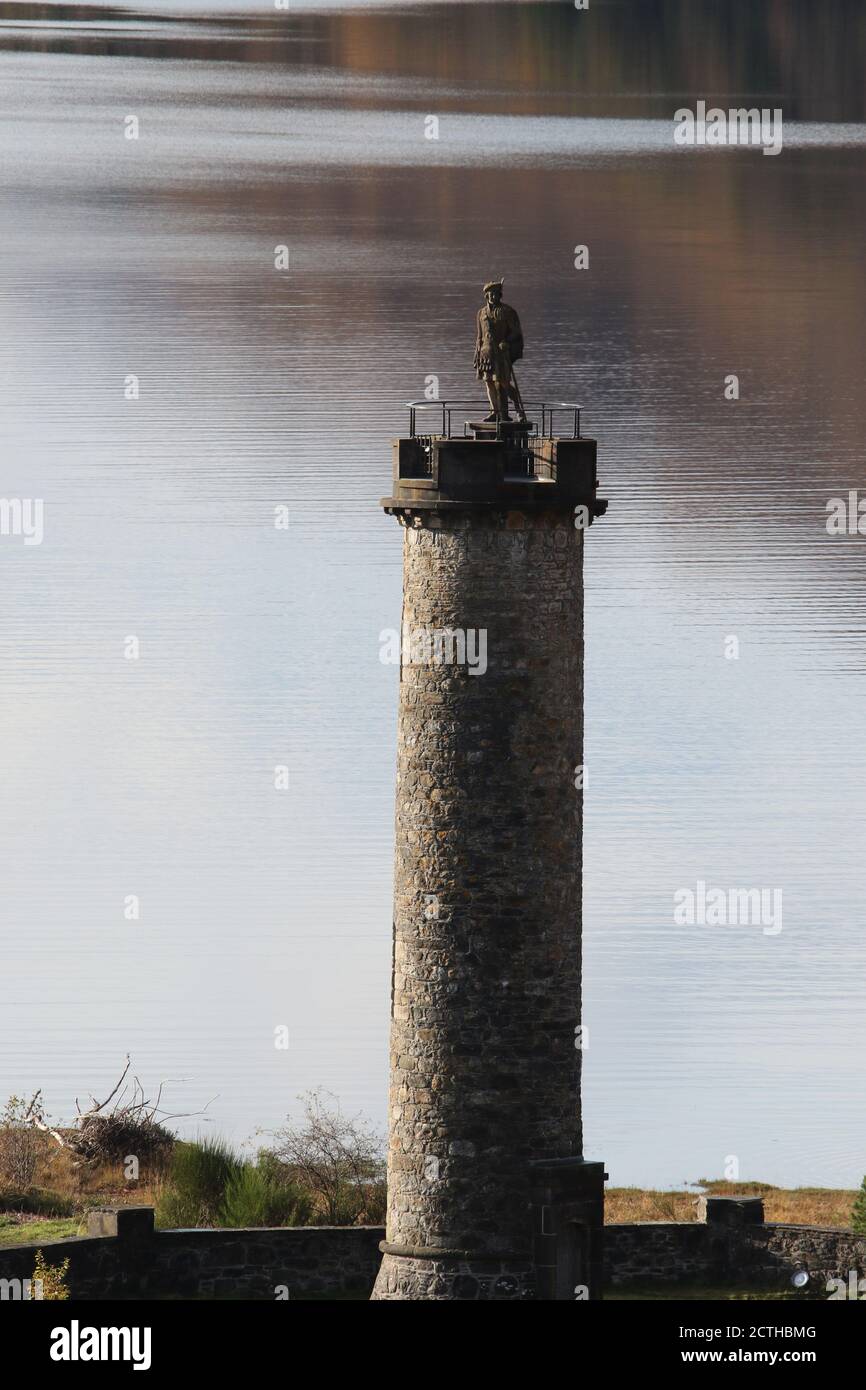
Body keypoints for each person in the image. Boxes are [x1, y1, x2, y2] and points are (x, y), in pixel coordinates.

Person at [473, 279, 525, 421]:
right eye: (491, 294)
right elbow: (480, 335)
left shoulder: (507, 312)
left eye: (496, 294)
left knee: (503, 382)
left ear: (500, 295)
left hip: (501, 354)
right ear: (486, 296)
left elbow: (516, 332)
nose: (493, 297)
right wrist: (477, 352)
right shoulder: (481, 313)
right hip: (486, 354)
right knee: (488, 383)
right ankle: (495, 411)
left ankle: (518, 408)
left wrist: (506, 342)